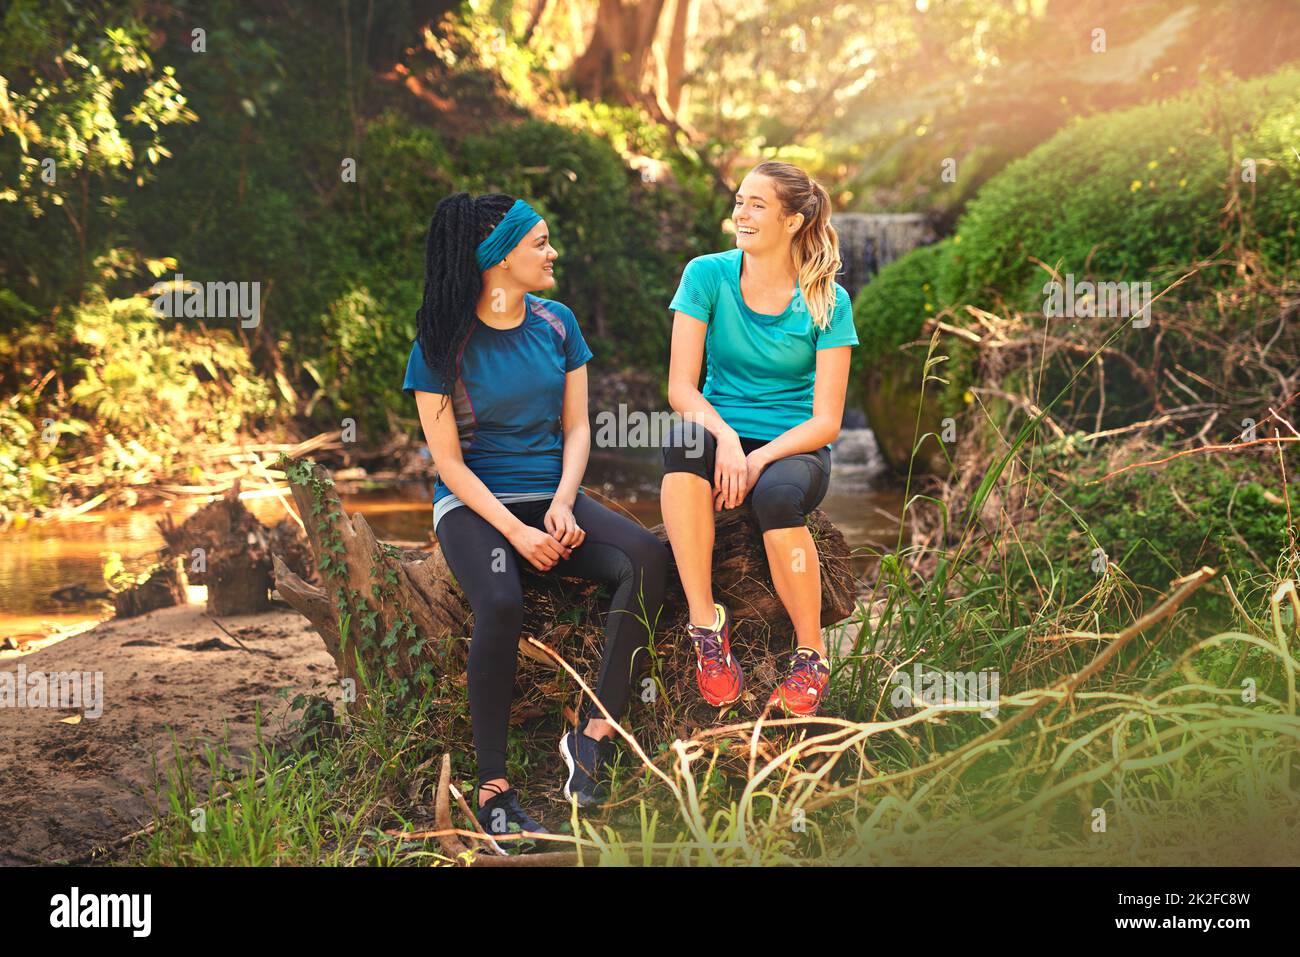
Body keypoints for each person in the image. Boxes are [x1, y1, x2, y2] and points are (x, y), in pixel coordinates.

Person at [404, 191, 670, 846]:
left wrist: (560, 502)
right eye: (540, 243)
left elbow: (578, 428)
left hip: (552, 496)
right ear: (498, 257)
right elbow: (450, 465)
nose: (552, 253)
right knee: (500, 600)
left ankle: (593, 735)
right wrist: (517, 532)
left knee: (647, 560)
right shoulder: (441, 342)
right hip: (474, 506)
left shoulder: (557, 323)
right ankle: (493, 789)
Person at [660, 161, 858, 717]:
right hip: (720, 426)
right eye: (739, 201)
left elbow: (827, 423)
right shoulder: (706, 275)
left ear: (793, 221)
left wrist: (762, 457)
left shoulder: (828, 301)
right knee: (682, 447)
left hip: (794, 444)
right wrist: (725, 438)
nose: (739, 214)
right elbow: (681, 387)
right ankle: (707, 626)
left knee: (775, 495)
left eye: (756, 205)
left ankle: (811, 654)